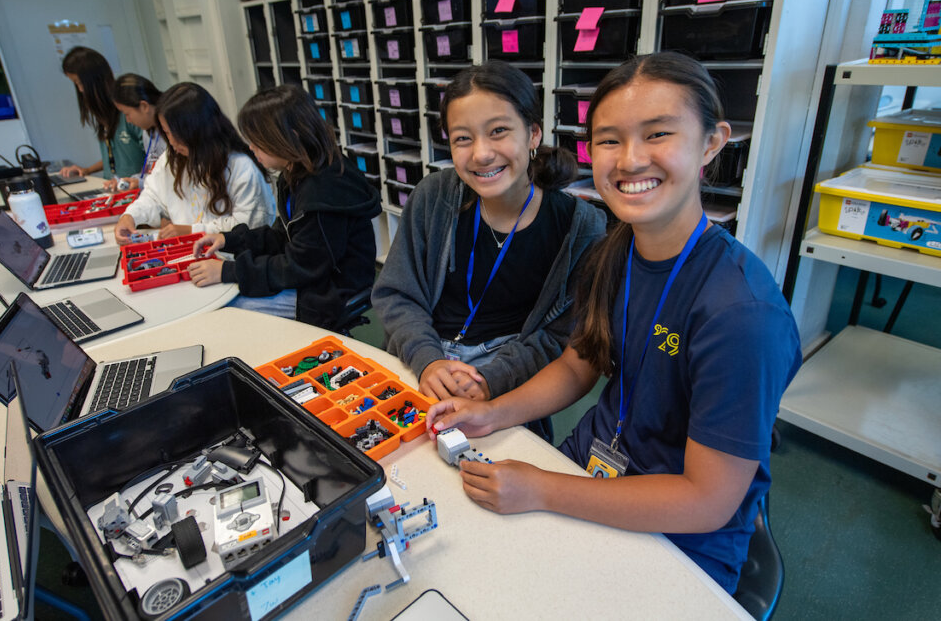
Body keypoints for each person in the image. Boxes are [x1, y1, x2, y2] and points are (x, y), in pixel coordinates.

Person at [425, 52, 803, 594]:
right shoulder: (616, 249)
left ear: (712, 142)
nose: (630, 160)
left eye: (658, 134)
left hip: (680, 535)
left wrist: (543, 489)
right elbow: (578, 363)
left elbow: (706, 501)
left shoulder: (742, 315)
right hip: (591, 467)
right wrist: (492, 412)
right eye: (609, 140)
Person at [372, 60, 607, 440]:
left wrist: (488, 380)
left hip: (506, 382)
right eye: (463, 138)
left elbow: (557, 338)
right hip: (418, 357)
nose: (481, 154)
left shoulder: (579, 228)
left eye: (498, 131)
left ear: (533, 134)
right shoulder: (433, 196)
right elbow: (397, 294)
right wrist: (429, 360)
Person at [187, 84, 381, 329]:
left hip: (329, 293)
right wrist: (230, 240)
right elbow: (284, 236)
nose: (251, 148)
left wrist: (229, 271)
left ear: (290, 137)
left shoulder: (321, 191)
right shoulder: (295, 173)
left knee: (228, 309)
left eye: (258, 141)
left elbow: (301, 266)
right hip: (313, 280)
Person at [114, 82, 275, 243]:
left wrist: (192, 231)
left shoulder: (240, 167)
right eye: (167, 133)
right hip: (188, 252)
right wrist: (130, 216)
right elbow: (153, 197)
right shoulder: (172, 158)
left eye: (175, 134)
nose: (171, 142)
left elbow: (250, 227)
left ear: (196, 130)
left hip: (231, 257)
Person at [58, 47, 145, 190]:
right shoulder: (104, 114)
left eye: (80, 83)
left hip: (135, 189)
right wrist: (87, 170)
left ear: (94, 81)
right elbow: (115, 158)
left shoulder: (129, 113)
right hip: (115, 188)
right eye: (76, 84)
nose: (80, 90)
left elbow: (153, 159)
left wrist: (136, 181)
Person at [111, 73, 167, 190]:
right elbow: (153, 173)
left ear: (144, 106)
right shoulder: (148, 133)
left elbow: (172, 177)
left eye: (127, 114)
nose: (128, 120)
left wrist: (141, 183)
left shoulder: (172, 130)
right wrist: (134, 180)